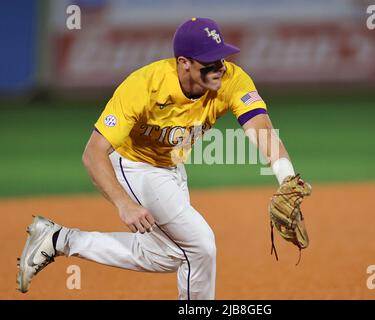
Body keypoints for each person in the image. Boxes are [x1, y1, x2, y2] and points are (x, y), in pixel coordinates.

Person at [17, 17, 298, 300]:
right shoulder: (144, 86)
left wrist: (286, 177)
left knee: (163, 255)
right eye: (209, 63)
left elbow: (260, 127)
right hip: (134, 165)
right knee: (200, 247)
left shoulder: (232, 79)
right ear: (184, 62)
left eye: (222, 59)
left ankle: (57, 239)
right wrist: (123, 204)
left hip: (172, 166)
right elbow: (93, 153)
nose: (219, 69)